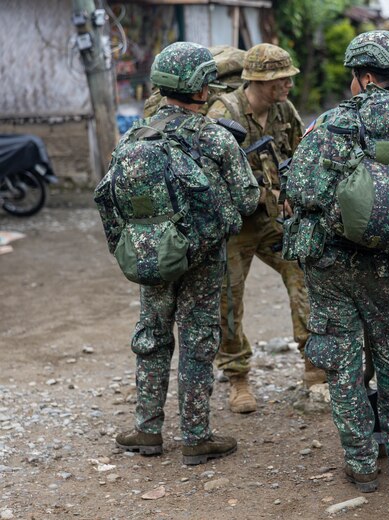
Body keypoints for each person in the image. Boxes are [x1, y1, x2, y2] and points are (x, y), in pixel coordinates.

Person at [286, 30, 389, 492]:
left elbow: (299, 190)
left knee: (342, 359)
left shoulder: (331, 123)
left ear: (363, 77)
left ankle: (360, 462)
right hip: (386, 266)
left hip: (329, 264)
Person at [106, 42, 259, 464]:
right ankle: (195, 436)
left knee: (152, 335)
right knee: (197, 340)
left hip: (153, 255)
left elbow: (111, 198)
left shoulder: (135, 135)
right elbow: (248, 200)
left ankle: (147, 429)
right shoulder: (214, 136)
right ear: (201, 89)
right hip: (203, 258)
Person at [206, 43, 325, 414]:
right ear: (257, 80)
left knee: (304, 276)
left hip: (276, 221)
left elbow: (300, 156)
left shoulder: (284, 110)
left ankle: (314, 364)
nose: (288, 84)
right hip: (236, 226)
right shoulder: (223, 114)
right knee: (228, 299)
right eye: (281, 79)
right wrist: (257, 193)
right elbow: (208, 177)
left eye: (289, 77)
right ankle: (237, 376)